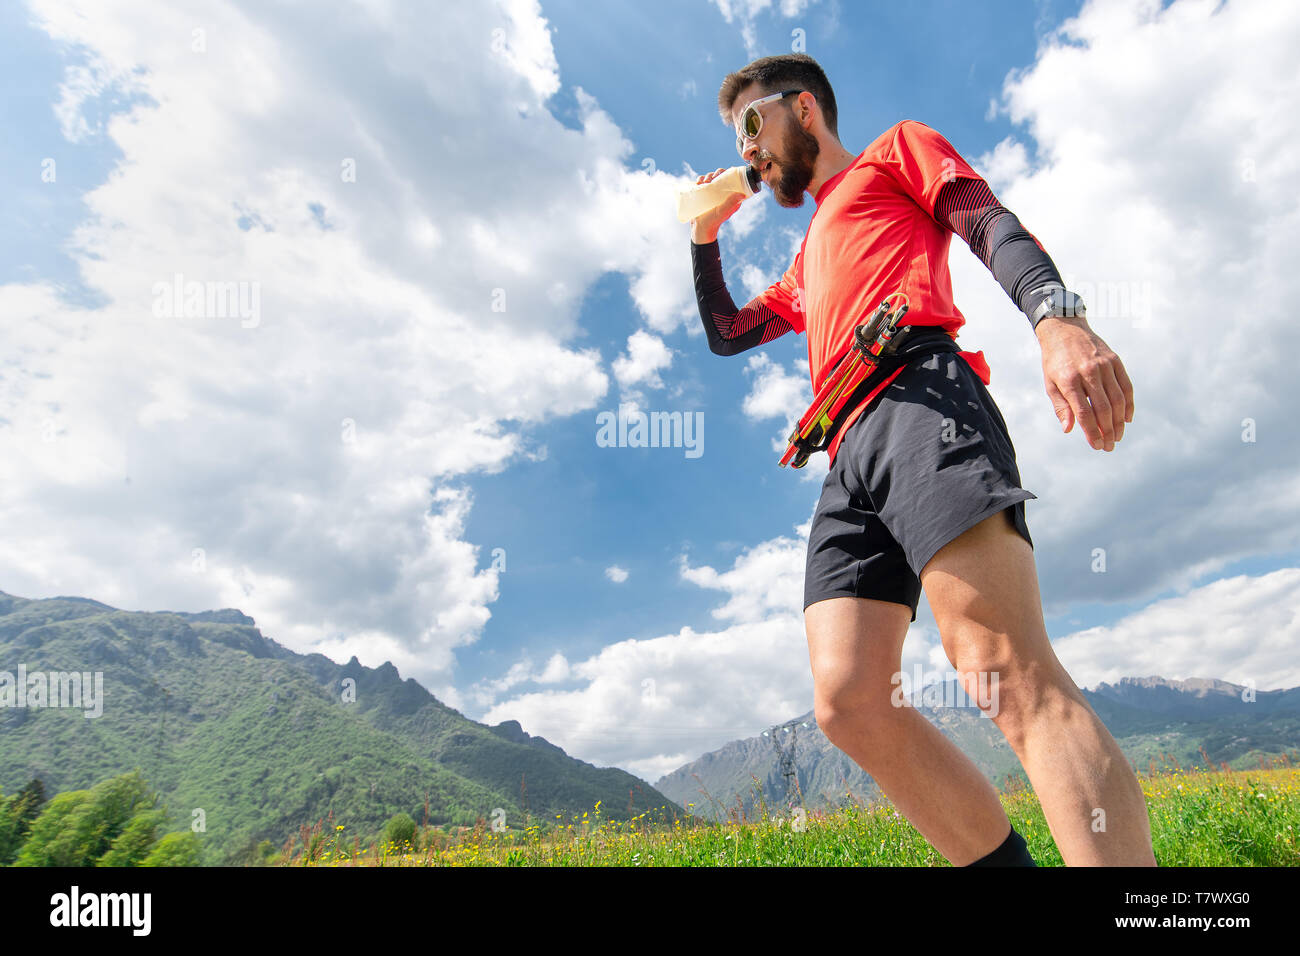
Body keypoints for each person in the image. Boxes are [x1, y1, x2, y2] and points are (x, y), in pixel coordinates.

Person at [689, 53, 1154, 866]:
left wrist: (1055, 317)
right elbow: (728, 334)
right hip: (845, 449)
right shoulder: (804, 264)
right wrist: (703, 235)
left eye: (753, 124)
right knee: (848, 701)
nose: (748, 149)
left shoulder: (893, 153)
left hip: (917, 397)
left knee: (1001, 665)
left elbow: (983, 217)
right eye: (737, 138)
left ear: (806, 108)